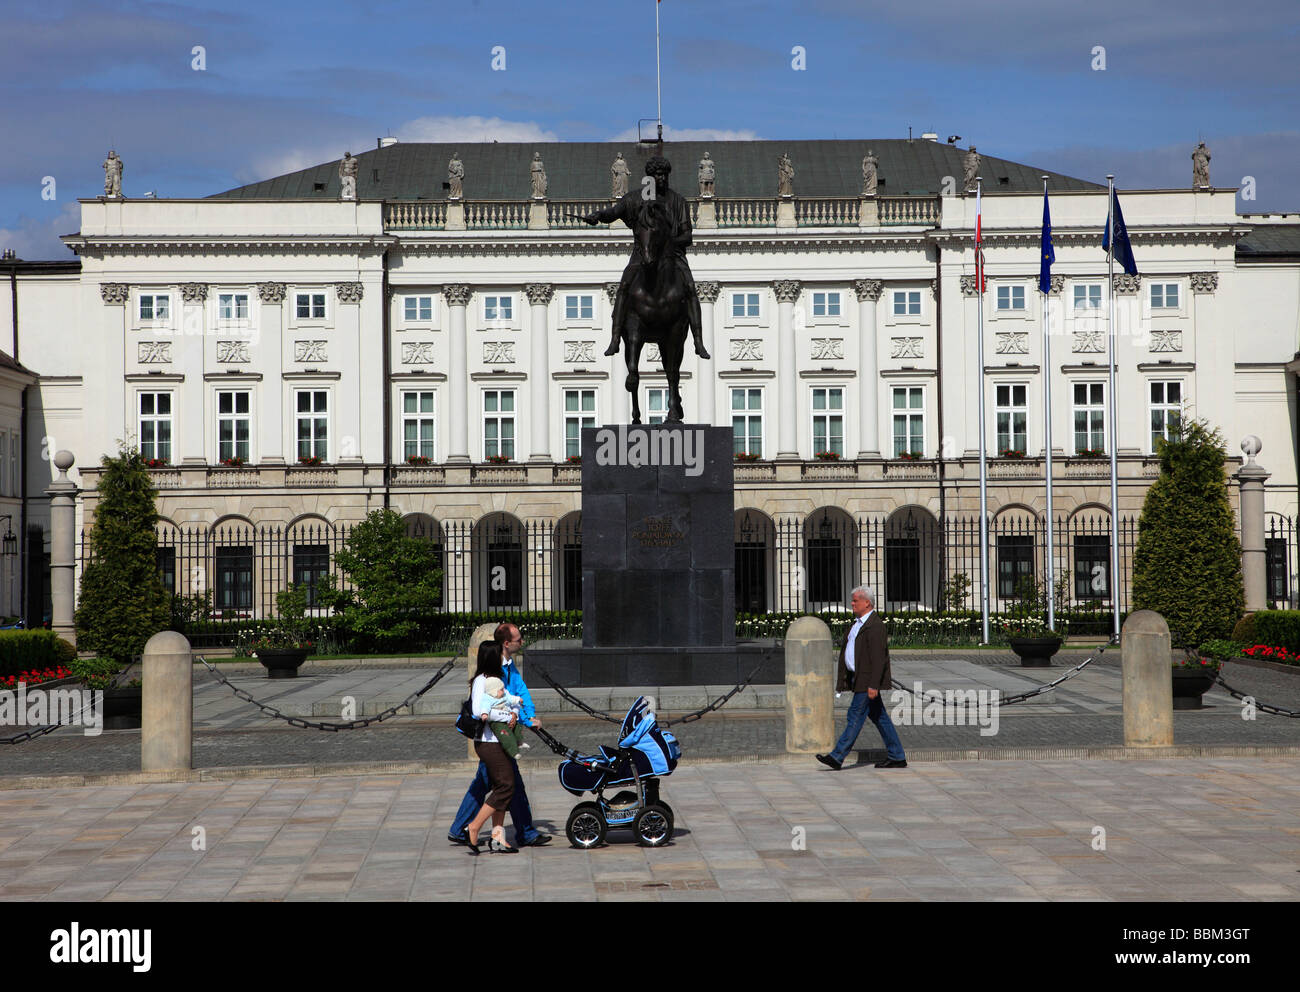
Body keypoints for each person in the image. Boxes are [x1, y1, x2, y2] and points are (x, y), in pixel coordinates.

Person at [581, 155, 708, 361]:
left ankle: (698, 340)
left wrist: (669, 242)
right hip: (642, 256)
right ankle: (615, 338)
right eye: (658, 175)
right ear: (650, 177)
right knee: (623, 286)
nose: (663, 179)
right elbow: (613, 212)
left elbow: (687, 235)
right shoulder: (634, 198)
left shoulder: (677, 201)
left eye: (665, 175)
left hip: (672, 258)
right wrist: (597, 216)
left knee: (690, 289)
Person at [448, 623, 552, 846]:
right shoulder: (492, 673)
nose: (522, 642)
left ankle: (466, 830)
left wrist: (528, 717)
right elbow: (498, 702)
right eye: (519, 639)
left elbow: (519, 692)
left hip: (499, 737)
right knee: (509, 785)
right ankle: (520, 831)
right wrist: (522, 720)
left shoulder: (508, 665)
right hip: (494, 738)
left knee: (486, 783)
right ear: (507, 643)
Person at [817, 586, 907, 770]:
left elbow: (878, 659)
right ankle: (897, 756)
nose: (852, 603)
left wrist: (874, 685)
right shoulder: (858, 623)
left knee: (855, 715)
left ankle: (837, 756)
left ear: (867, 602)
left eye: (856, 600)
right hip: (858, 679)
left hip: (867, 681)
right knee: (879, 717)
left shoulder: (875, 626)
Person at [464, 643, 519, 855]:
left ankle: (497, 838)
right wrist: (507, 716)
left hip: (501, 740)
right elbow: (479, 711)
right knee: (506, 786)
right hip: (488, 742)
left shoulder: (496, 679)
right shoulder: (481, 681)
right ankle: (474, 826)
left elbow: (506, 701)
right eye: (499, 655)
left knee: (500, 788)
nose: (503, 658)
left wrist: (514, 712)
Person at [481, 676, 525, 759]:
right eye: (501, 690)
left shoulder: (503, 695)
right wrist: (484, 714)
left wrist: (518, 699)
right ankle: (514, 752)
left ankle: (519, 741)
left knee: (518, 726)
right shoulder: (488, 698)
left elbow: (510, 698)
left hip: (507, 715)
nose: (503, 691)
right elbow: (485, 707)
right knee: (505, 735)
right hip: (497, 722)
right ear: (494, 691)